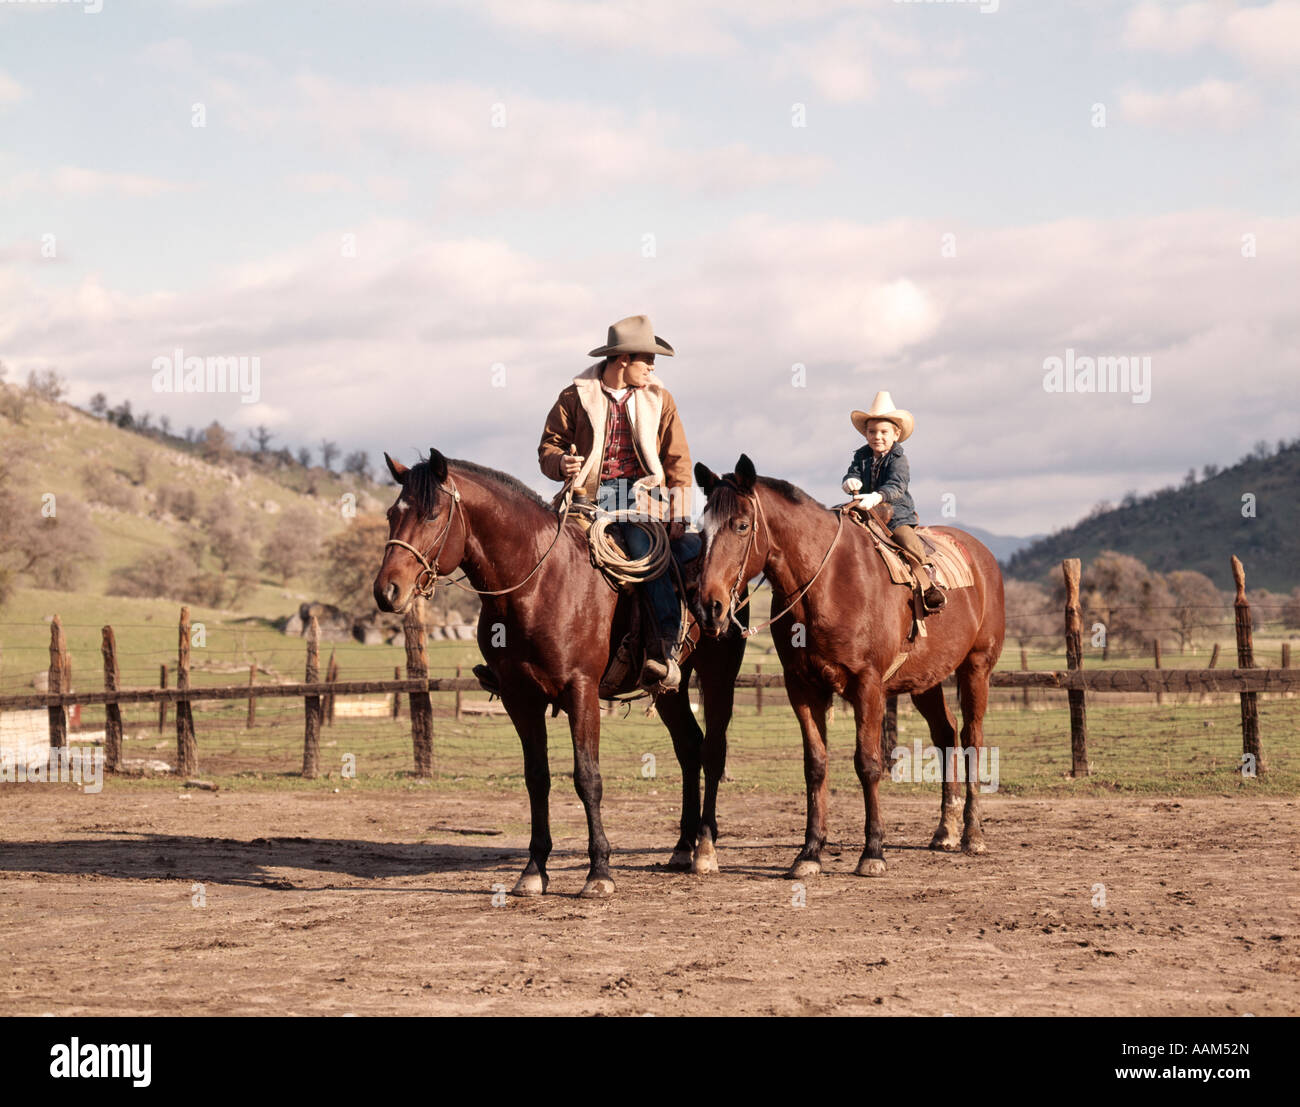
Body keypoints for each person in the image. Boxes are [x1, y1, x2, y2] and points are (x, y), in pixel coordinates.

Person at [538, 314, 697, 691]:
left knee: (645, 555)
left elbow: (677, 460)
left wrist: (678, 510)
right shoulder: (575, 396)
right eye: (647, 360)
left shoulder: (659, 398)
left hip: (640, 496)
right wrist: (561, 463)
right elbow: (549, 446)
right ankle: (525, 650)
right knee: (544, 553)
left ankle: (664, 649)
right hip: (585, 496)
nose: (653, 368)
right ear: (623, 360)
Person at [841, 391, 946, 612]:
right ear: (866, 434)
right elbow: (854, 473)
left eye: (883, 432)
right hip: (864, 512)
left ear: (896, 434)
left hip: (895, 513)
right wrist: (849, 481)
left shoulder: (899, 459)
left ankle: (928, 581)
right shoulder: (861, 456)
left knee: (906, 539)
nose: (877, 436)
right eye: (872, 432)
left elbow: (896, 486)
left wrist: (877, 496)